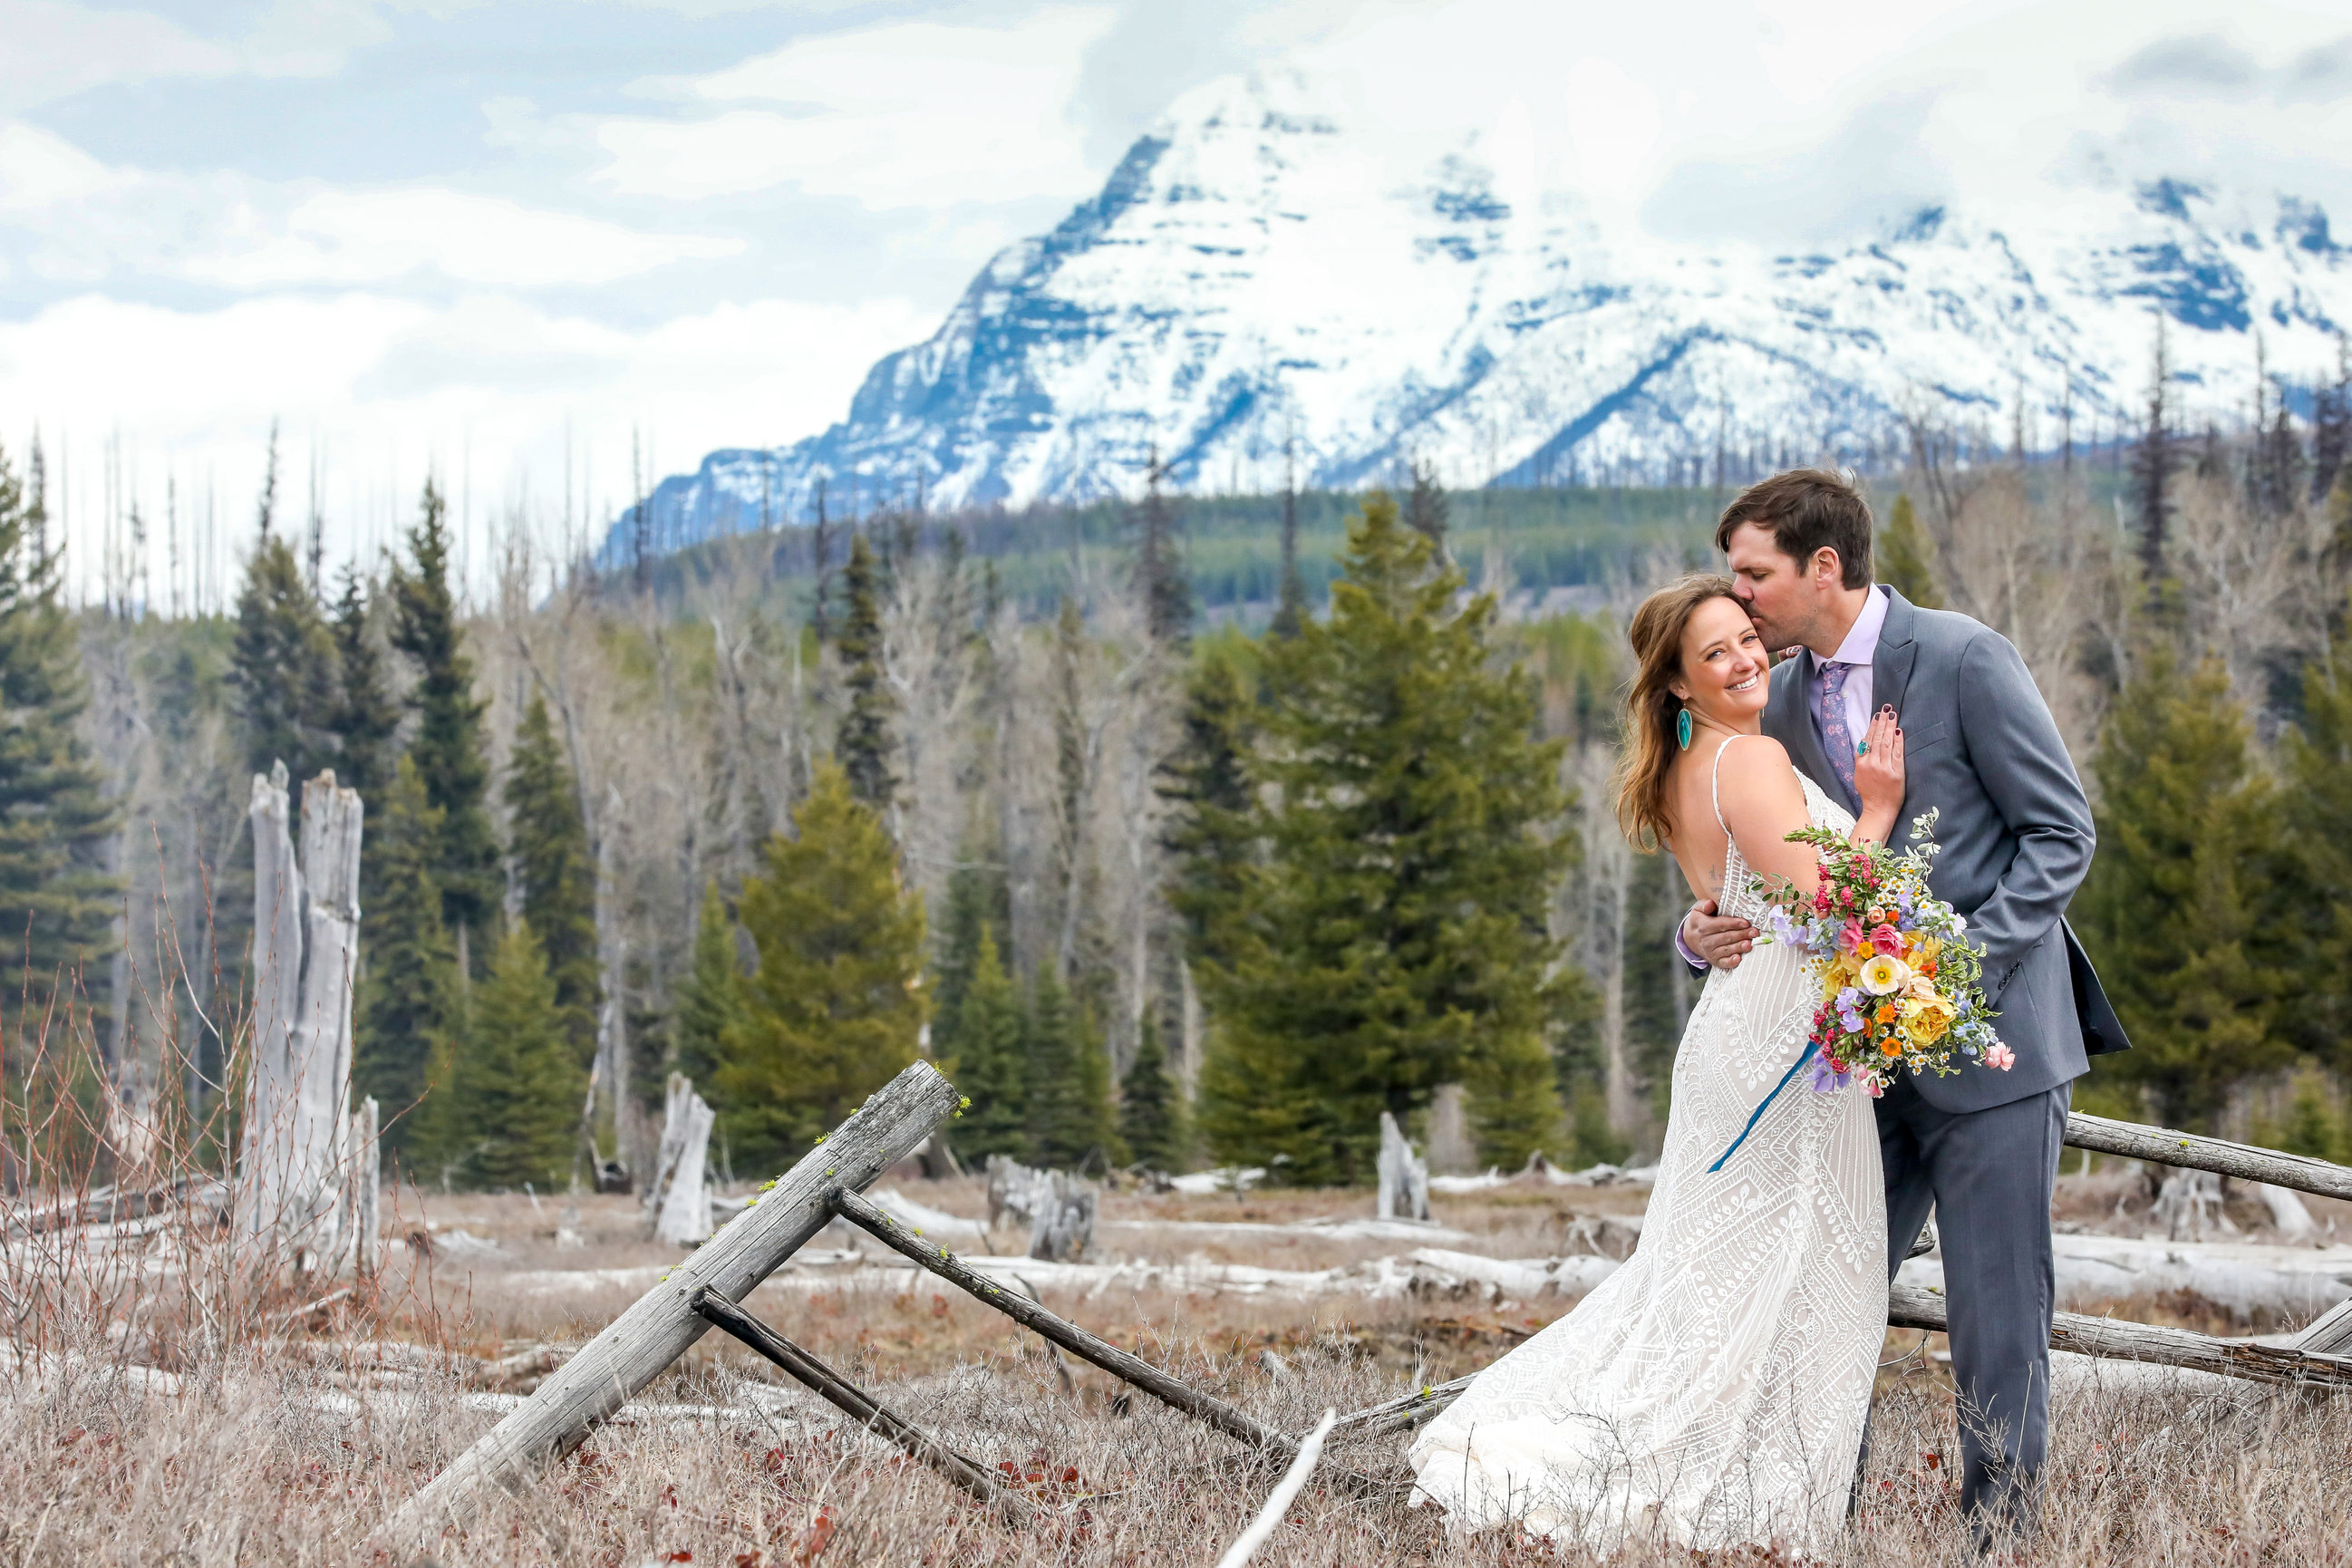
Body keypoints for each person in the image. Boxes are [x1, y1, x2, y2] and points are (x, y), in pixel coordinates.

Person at [1408, 572, 1908, 1552]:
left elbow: (1731, 906)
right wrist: (1880, 806)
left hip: (1740, 1028)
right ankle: (1729, 1499)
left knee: (1710, 1273)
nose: (1743, 659)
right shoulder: (1752, 757)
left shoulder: (1681, 768)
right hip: (1780, 1050)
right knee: (1799, 1272)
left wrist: (1697, 930)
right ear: (1677, 684)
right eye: (1713, 653)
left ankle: (1736, 1491)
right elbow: (1833, 909)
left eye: (1746, 639)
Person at [1677, 469, 2127, 1548]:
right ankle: (1810, 1519)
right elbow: (1747, 869)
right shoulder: (1773, 697)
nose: (1739, 598)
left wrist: (1952, 966)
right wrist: (1696, 937)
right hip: (1849, 1068)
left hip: (1994, 1052)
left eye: (1755, 574)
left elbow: (2061, 832)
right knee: (1818, 1298)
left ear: (1822, 567)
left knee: (1995, 1319)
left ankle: (1998, 1537)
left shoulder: (1965, 657)